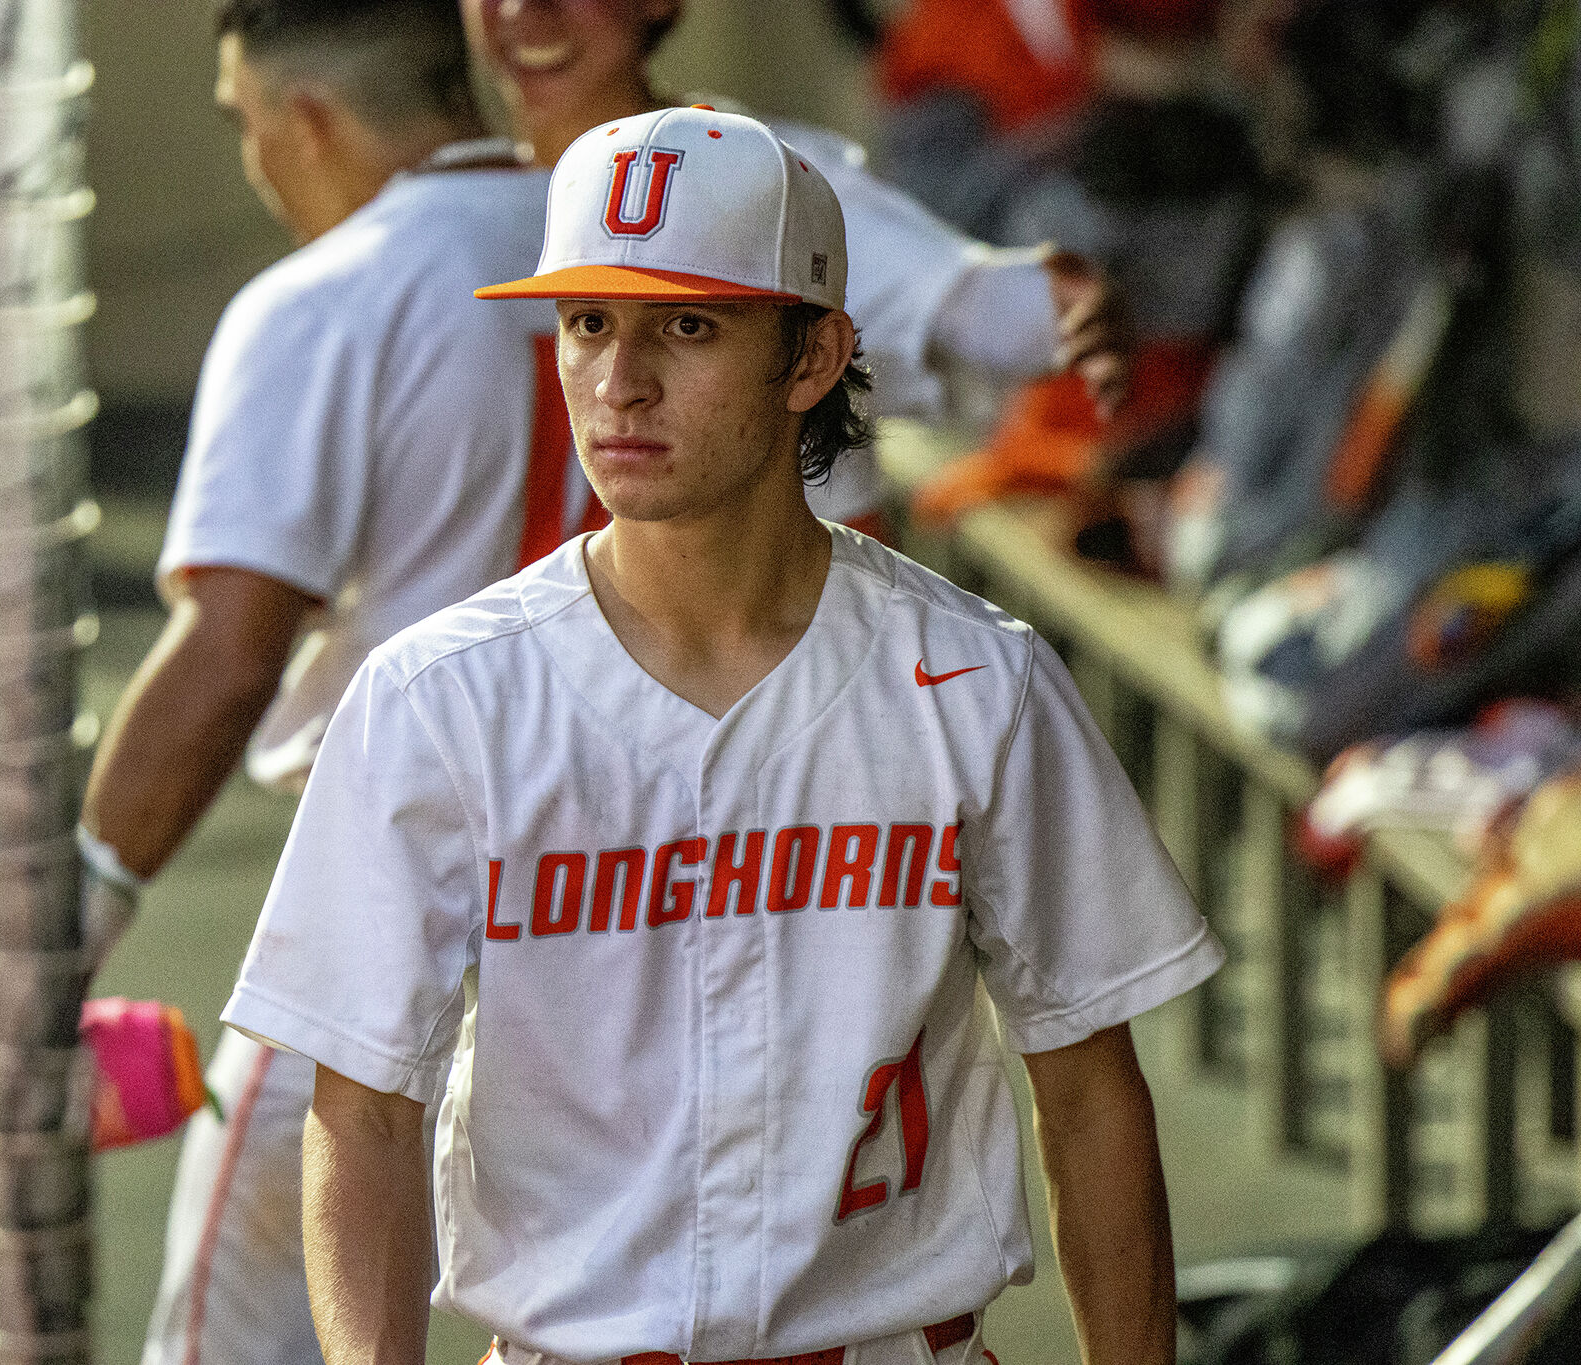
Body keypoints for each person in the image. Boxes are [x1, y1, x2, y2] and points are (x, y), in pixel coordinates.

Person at [224, 106, 1223, 1365]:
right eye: (588, 324)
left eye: (686, 326)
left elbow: (1086, 1089)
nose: (618, 382)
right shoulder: (439, 697)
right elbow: (364, 1110)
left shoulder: (977, 682)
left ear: (812, 357)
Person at [0, 4, 586, 1363]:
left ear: (305, 120)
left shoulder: (331, 295)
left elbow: (230, 654)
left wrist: (32, 951)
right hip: (638, 900)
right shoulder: (616, 252)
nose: (255, 163)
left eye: (246, 126)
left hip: (405, 906)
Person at [459, 0, 1133, 504]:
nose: (521, 8)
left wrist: (1065, 307)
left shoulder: (770, 179)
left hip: (800, 634)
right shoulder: (438, 205)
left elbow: (997, 311)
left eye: (689, 324)